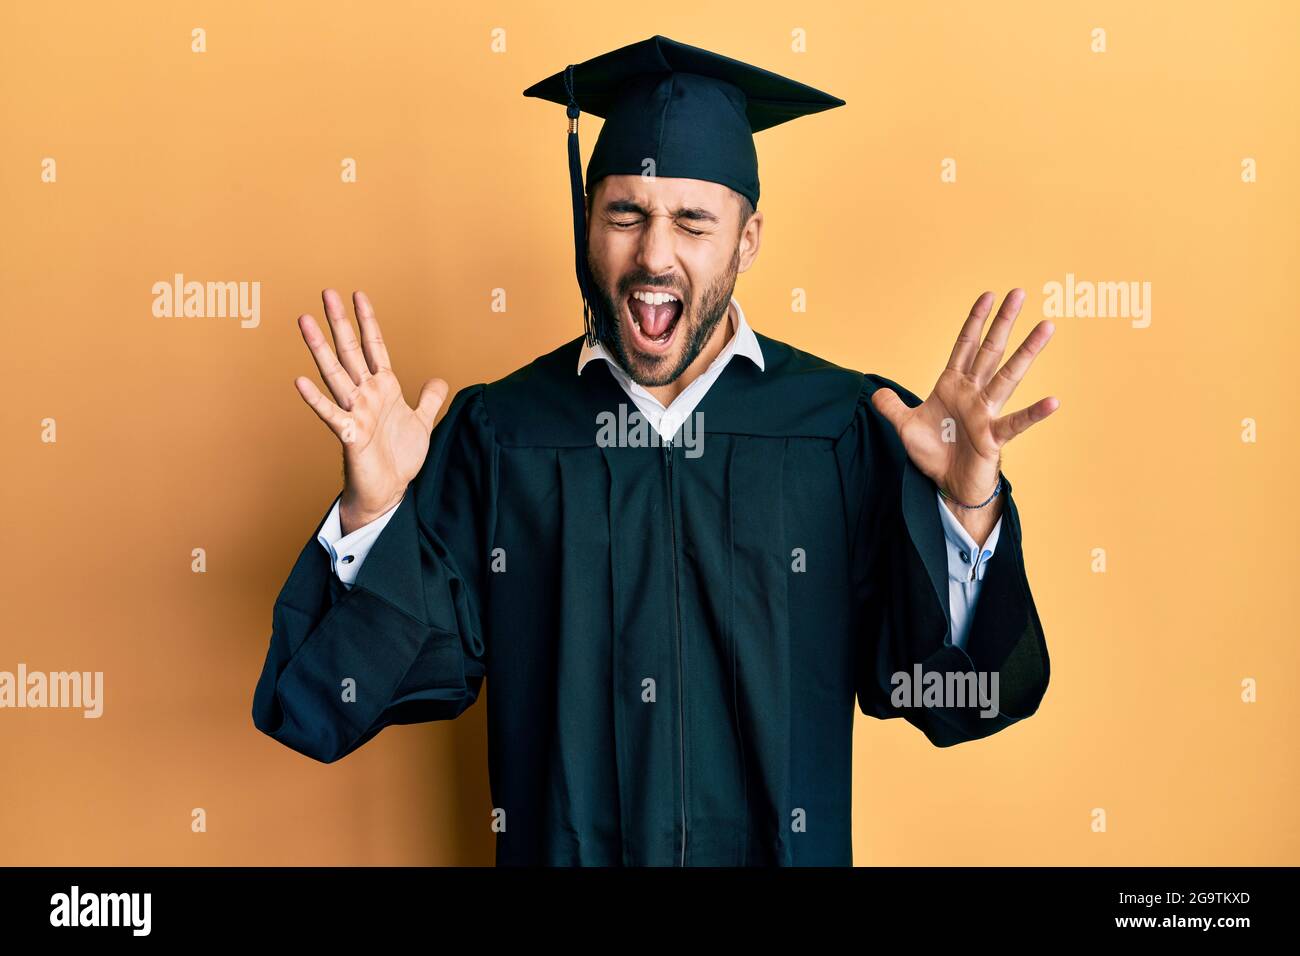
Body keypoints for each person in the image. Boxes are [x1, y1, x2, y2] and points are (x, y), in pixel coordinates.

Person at [251, 35, 1058, 866]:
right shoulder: (502, 435)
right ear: (586, 223)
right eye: (625, 215)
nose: (654, 254)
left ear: (747, 242)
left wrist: (966, 511)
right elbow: (329, 705)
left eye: (693, 222)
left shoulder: (843, 429)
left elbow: (962, 699)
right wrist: (377, 513)